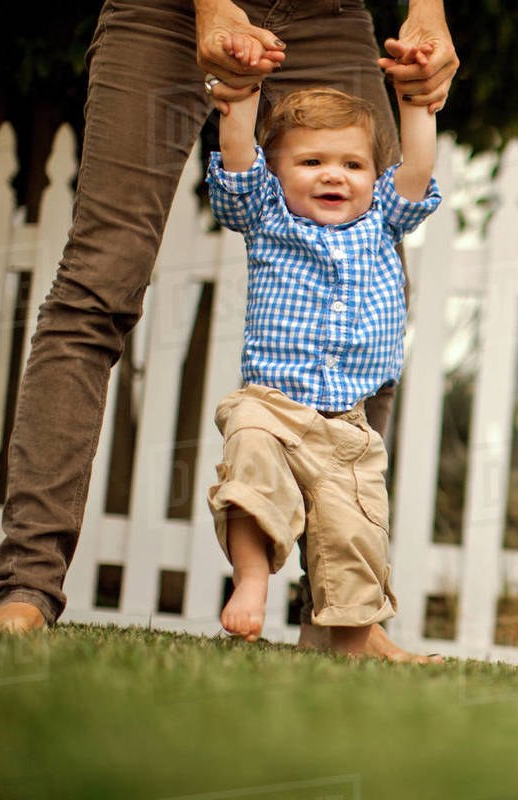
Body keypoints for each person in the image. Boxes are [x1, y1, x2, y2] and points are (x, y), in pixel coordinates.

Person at [0, 0, 456, 663]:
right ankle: (25, 589)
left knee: (369, 287)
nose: (336, 178)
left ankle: (347, 620)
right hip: (168, 9)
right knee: (99, 283)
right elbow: (239, 187)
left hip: (329, 14)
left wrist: (428, 12)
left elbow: (407, 185)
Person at [206, 71, 439, 654]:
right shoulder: (267, 217)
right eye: (311, 162)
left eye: (353, 165)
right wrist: (239, 99)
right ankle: (252, 579)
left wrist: (418, 106)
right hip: (273, 405)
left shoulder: (382, 223)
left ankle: (348, 643)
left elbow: (415, 170)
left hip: (348, 427)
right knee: (249, 453)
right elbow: (237, 163)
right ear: (277, 174)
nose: (335, 174)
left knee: (353, 538)